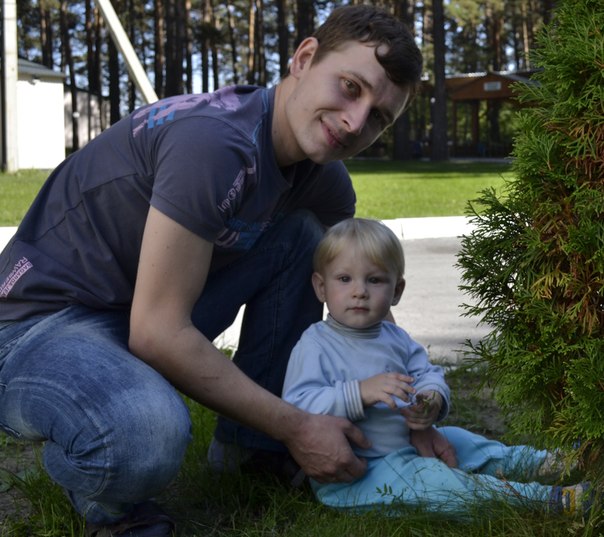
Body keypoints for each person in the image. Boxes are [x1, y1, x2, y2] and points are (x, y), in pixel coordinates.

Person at [0, 5, 456, 536]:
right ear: (304, 58)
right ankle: (104, 490)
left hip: (133, 313)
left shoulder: (323, 179)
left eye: (378, 117)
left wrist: (406, 414)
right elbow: (157, 332)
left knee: (310, 242)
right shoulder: (213, 143)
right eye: (350, 87)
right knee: (144, 434)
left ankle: (251, 452)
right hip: (37, 327)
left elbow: (361, 305)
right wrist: (299, 426)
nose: (356, 122)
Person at [282, 217, 593, 517]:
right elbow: (298, 405)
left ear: (397, 291)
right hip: (359, 474)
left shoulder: (394, 337)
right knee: (444, 486)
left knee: (466, 443)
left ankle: (550, 464)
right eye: (344, 279)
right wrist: (359, 392)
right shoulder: (315, 345)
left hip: (408, 445)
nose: (359, 291)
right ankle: (550, 500)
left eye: (374, 280)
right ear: (321, 287)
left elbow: (426, 373)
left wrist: (431, 397)